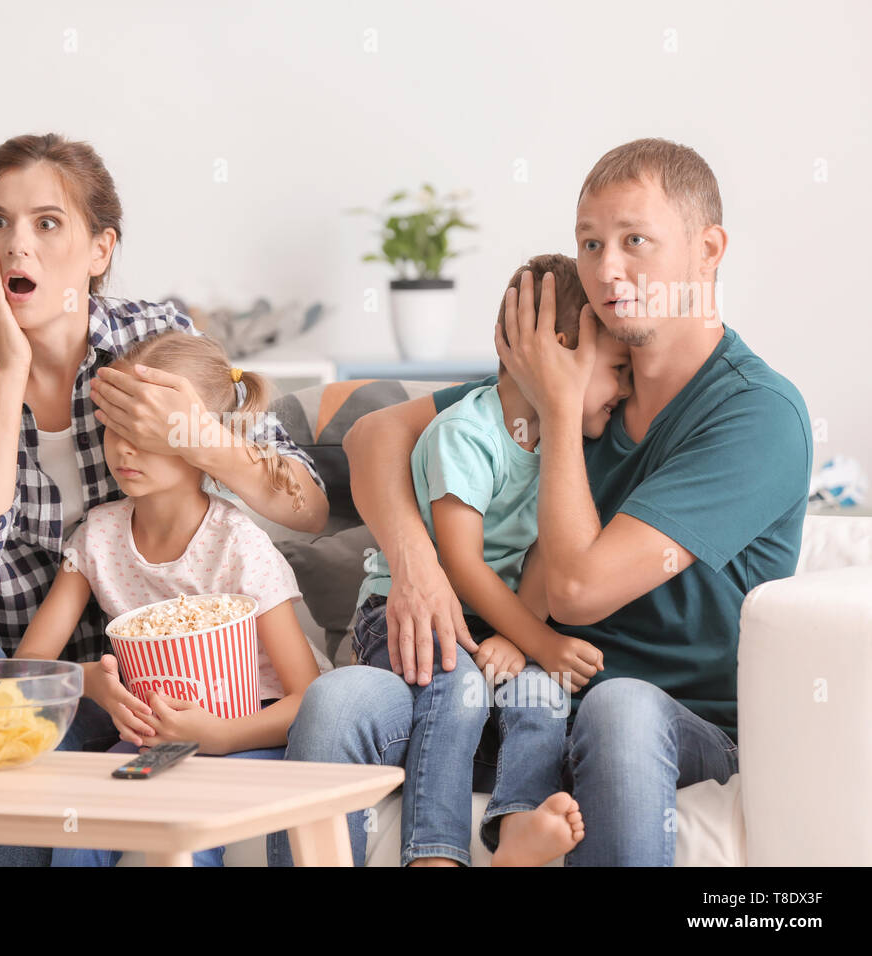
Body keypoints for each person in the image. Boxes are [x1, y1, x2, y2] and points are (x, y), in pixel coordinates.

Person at [269, 137, 812, 867]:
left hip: (664, 721)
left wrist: (558, 412)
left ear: (708, 250)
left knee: (619, 710)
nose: (607, 270)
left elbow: (581, 589)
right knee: (339, 704)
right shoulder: (576, 372)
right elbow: (373, 436)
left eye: (635, 241)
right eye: (590, 243)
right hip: (514, 697)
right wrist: (417, 563)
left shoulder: (755, 414)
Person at [0, 133, 328, 867]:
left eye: (47, 223)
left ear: (100, 249)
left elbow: (306, 504)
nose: (17, 244)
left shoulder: (154, 343)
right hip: (37, 670)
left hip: (145, 697)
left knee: (42, 790)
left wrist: (193, 436)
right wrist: (10, 369)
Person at [349, 254, 630, 867]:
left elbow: (541, 554)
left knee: (543, 694)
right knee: (460, 689)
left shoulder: (562, 447)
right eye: (617, 369)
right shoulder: (466, 434)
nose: (627, 389)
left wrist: (522, 646)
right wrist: (542, 641)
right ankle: (434, 853)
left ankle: (517, 825)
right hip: (407, 612)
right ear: (556, 352)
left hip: (487, 622)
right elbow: (462, 565)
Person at [13, 330, 332, 866]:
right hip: (160, 739)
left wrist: (221, 736)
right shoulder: (97, 537)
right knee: (80, 834)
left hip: (256, 724)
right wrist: (89, 681)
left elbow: (308, 696)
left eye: (147, 432)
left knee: (187, 829)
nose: (124, 448)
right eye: (115, 428)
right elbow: (28, 667)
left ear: (196, 437)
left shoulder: (237, 545)